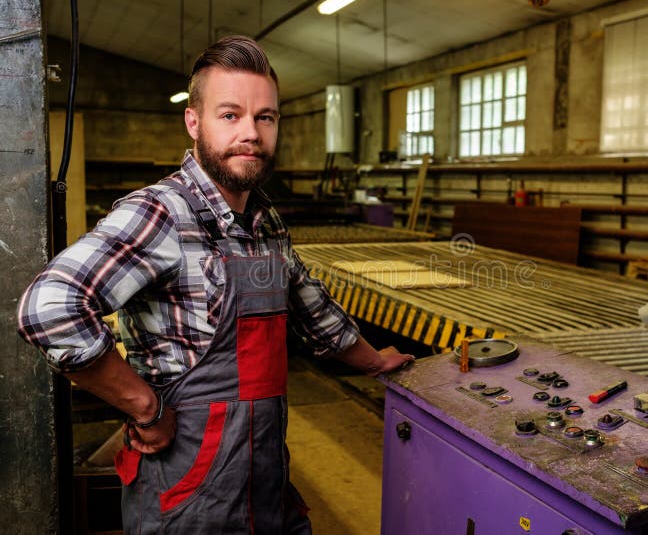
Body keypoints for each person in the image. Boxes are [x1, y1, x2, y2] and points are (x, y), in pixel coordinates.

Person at [17, 35, 414, 534]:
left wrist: (375, 360)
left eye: (265, 117)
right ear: (193, 121)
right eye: (230, 115)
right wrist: (145, 406)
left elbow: (311, 307)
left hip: (264, 478)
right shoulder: (161, 213)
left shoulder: (264, 219)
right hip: (189, 495)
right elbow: (48, 308)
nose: (250, 132)